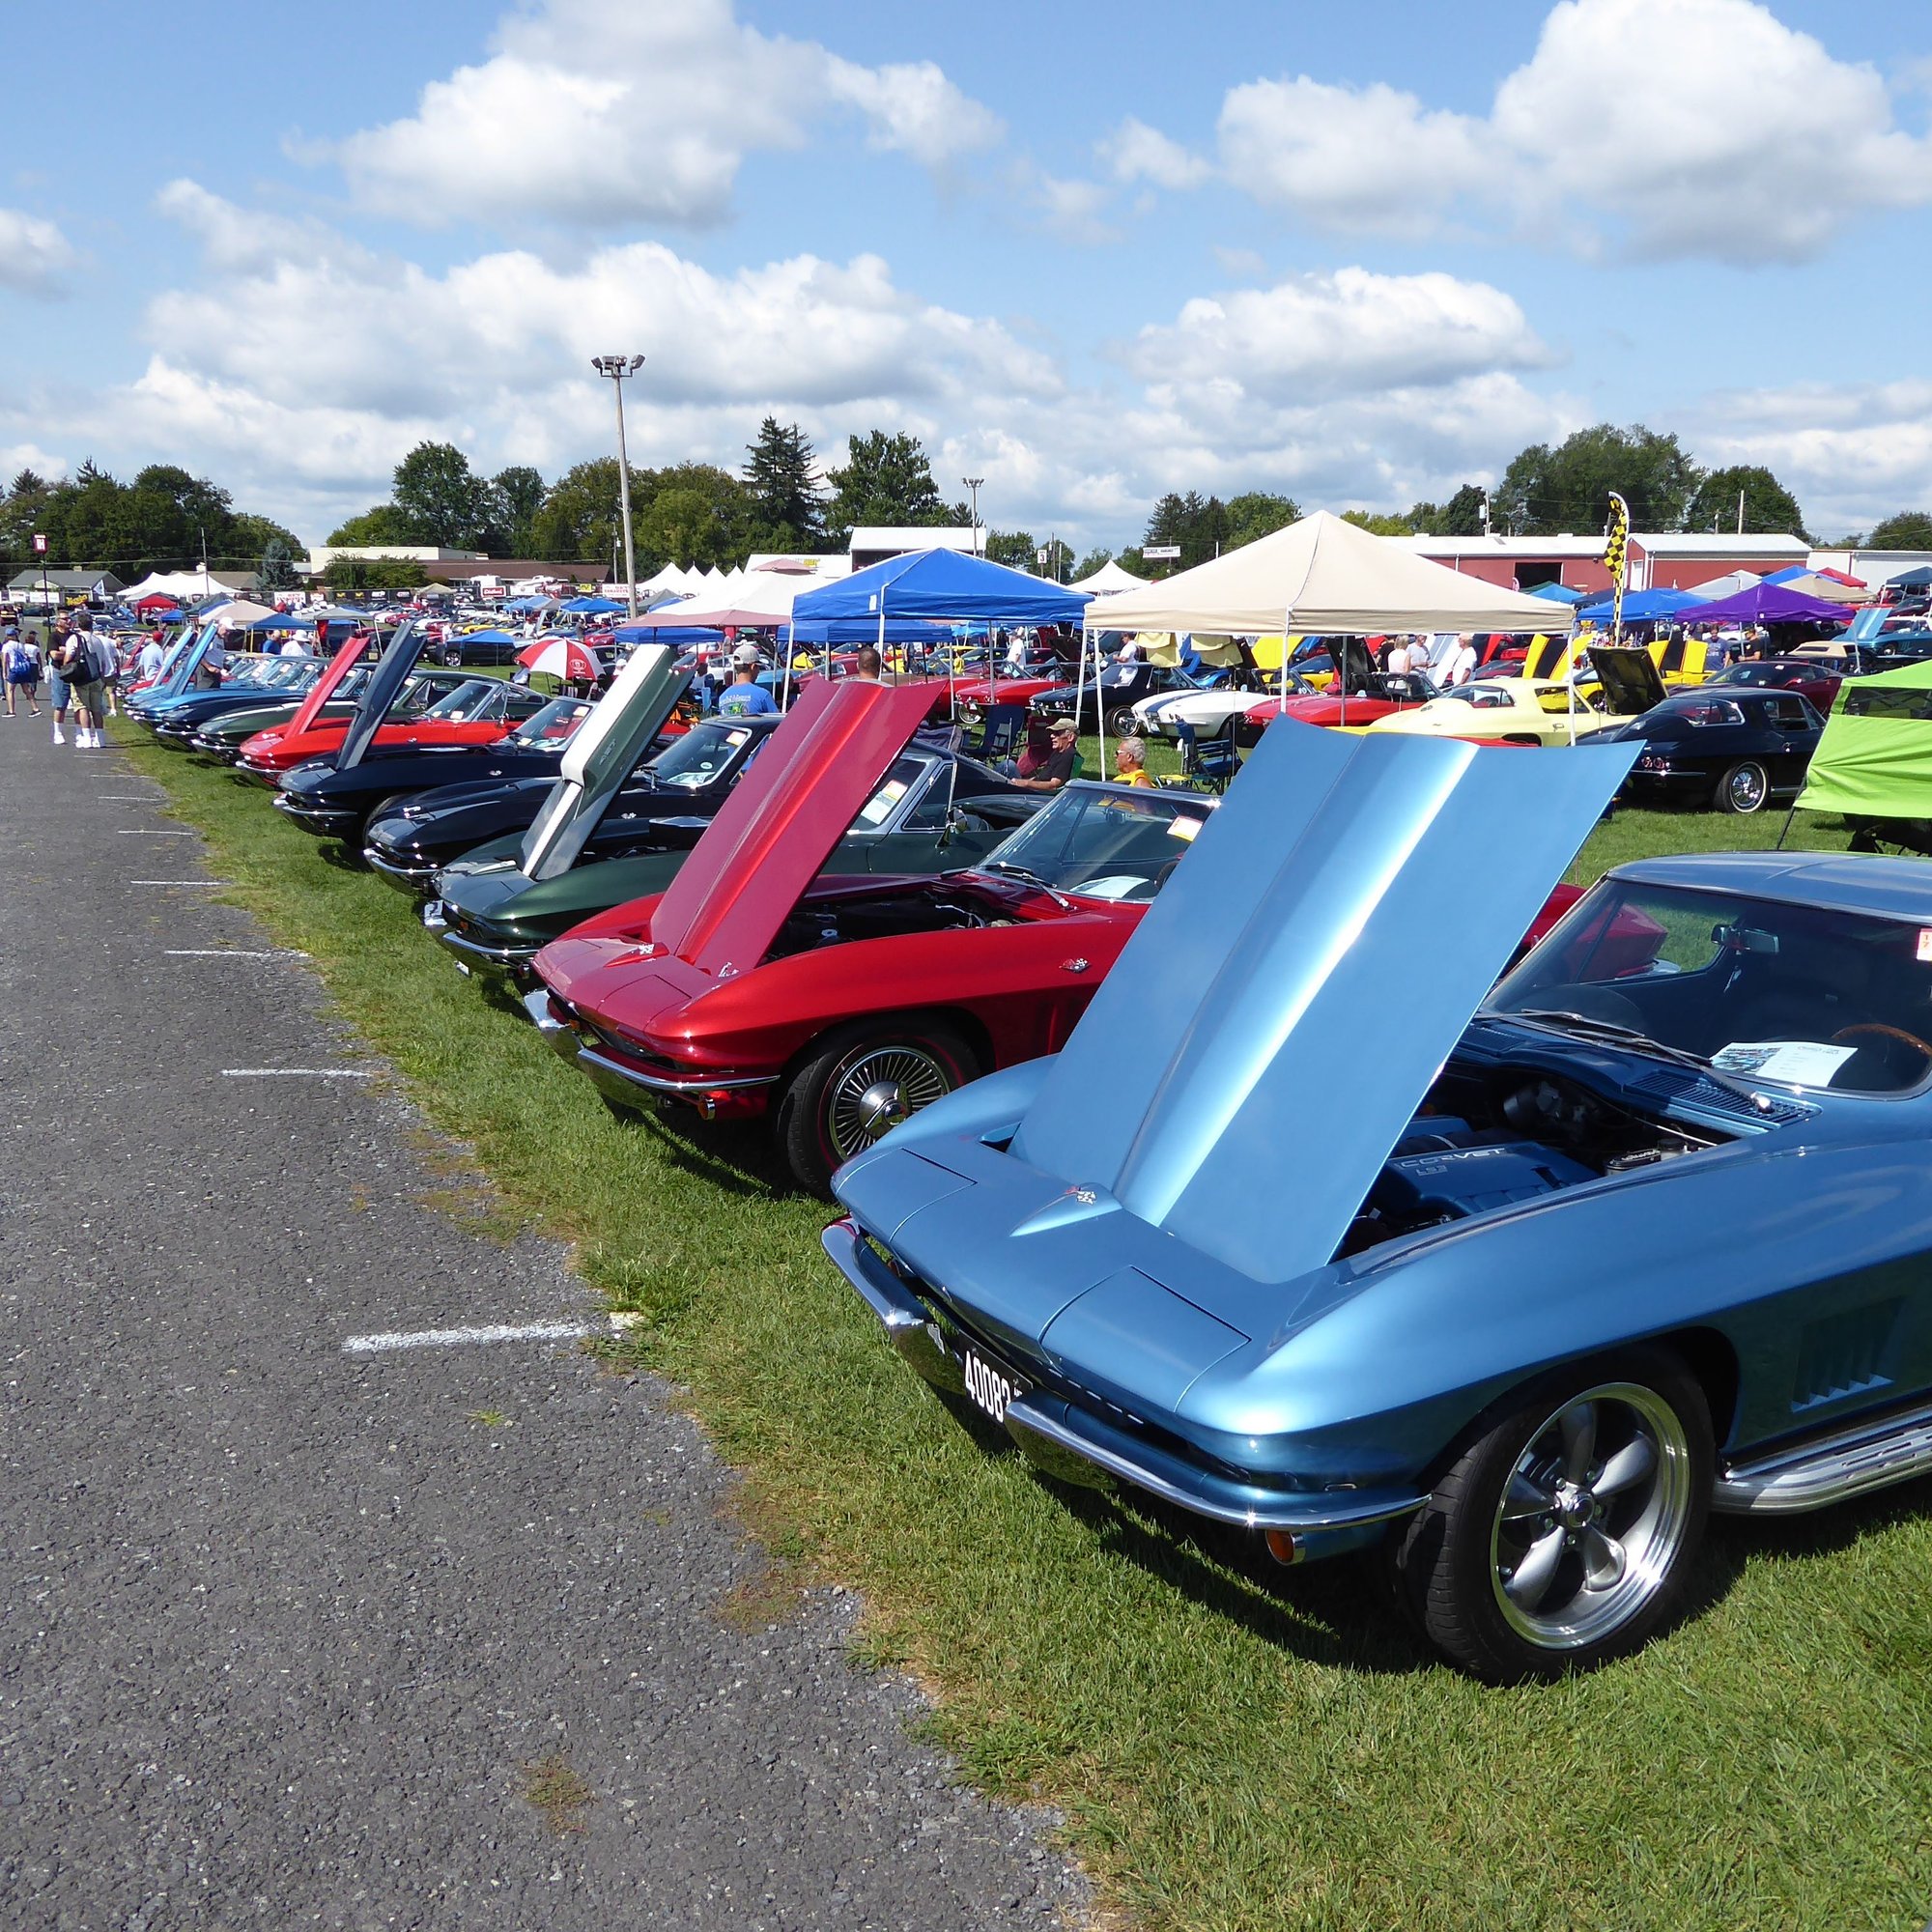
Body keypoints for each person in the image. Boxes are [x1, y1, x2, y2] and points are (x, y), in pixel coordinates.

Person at [60, 612, 110, 748]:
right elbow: (103, 662)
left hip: (82, 677)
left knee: (82, 707)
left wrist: (65, 666)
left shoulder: (74, 638)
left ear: (78, 624)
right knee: (96, 709)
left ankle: (87, 737)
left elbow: (68, 657)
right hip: (96, 677)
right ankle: (100, 738)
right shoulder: (97, 640)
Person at [1013, 716, 1079, 792]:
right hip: (1032, 789)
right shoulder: (1057, 752)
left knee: (1008, 766)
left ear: (1070, 737)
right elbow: (1041, 777)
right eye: (1052, 733)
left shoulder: (1068, 755)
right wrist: (1024, 781)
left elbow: (1053, 786)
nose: (1051, 736)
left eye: (1057, 733)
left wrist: (1026, 783)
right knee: (1007, 766)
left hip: (1037, 795)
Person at [715, 641, 778, 717]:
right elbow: (778, 724)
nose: (758, 671)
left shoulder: (723, 698)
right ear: (753, 667)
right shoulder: (763, 695)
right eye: (758, 667)